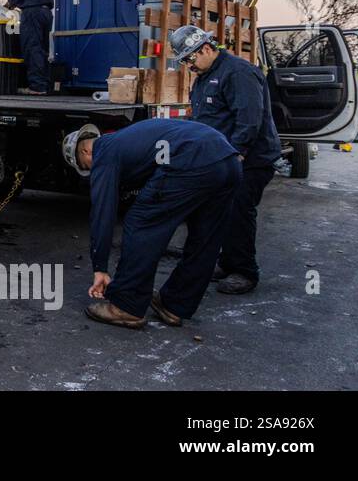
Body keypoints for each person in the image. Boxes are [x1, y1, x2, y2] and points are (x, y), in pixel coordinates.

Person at [63, 118, 240, 329]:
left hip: (189, 160)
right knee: (205, 237)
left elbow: (103, 212)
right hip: (228, 160)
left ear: (85, 152)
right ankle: (175, 304)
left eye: (86, 168)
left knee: (141, 224)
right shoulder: (126, 140)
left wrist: (99, 267)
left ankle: (126, 305)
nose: (92, 172)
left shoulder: (104, 152)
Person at [171, 25, 281, 296]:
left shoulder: (238, 72)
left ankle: (245, 271)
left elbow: (249, 120)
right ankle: (228, 262)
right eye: (184, 61)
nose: (189, 66)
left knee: (238, 213)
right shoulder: (206, 75)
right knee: (221, 213)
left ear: (206, 48)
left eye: (190, 58)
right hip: (224, 158)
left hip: (248, 160)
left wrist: (237, 156)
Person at [6, 0, 57, 95]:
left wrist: (10, 4)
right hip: (46, 13)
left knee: (32, 47)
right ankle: (44, 84)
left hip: (32, 12)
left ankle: (36, 86)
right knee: (43, 49)